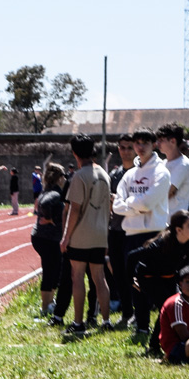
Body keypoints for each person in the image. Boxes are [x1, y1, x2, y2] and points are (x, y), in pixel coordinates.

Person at [131, 210, 189, 347]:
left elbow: (181, 265)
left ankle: (166, 342)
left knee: (175, 304)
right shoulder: (161, 244)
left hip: (168, 277)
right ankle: (155, 345)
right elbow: (131, 257)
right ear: (179, 230)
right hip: (148, 277)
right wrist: (131, 281)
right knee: (167, 305)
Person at [112, 128, 171, 337]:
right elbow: (116, 206)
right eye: (137, 142)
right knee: (134, 283)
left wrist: (130, 205)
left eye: (145, 142)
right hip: (131, 236)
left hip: (153, 234)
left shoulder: (161, 172)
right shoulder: (129, 175)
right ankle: (142, 325)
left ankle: (166, 325)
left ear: (153, 144)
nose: (140, 147)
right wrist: (135, 205)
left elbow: (148, 203)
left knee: (156, 282)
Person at [59, 135, 111, 335]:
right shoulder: (104, 175)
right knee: (99, 277)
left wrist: (66, 237)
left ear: (74, 153)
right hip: (100, 233)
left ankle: (78, 323)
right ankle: (106, 321)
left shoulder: (79, 176)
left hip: (82, 234)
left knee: (78, 276)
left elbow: (75, 210)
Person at [106, 134, 136, 321]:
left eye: (129, 148)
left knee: (132, 273)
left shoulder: (140, 174)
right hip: (115, 229)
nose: (126, 151)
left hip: (133, 230)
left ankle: (138, 311)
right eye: (122, 148)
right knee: (118, 273)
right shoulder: (113, 175)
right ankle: (126, 312)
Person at [30, 165, 66, 320]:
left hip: (46, 238)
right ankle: (46, 306)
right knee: (50, 270)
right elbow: (44, 204)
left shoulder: (49, 190)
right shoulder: (54, 193)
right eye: (63, 176)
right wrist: (50, 218)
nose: (65, 179)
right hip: (47, 239)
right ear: (59, 178)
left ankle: (50, 301)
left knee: (55, 269)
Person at [156, 123, 189, 218]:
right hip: (161, 220)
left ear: (173, 141)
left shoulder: (183, 164)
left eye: (161, 140)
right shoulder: (162, 163)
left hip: (175, 223)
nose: (158, 144)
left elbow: (167, 192)